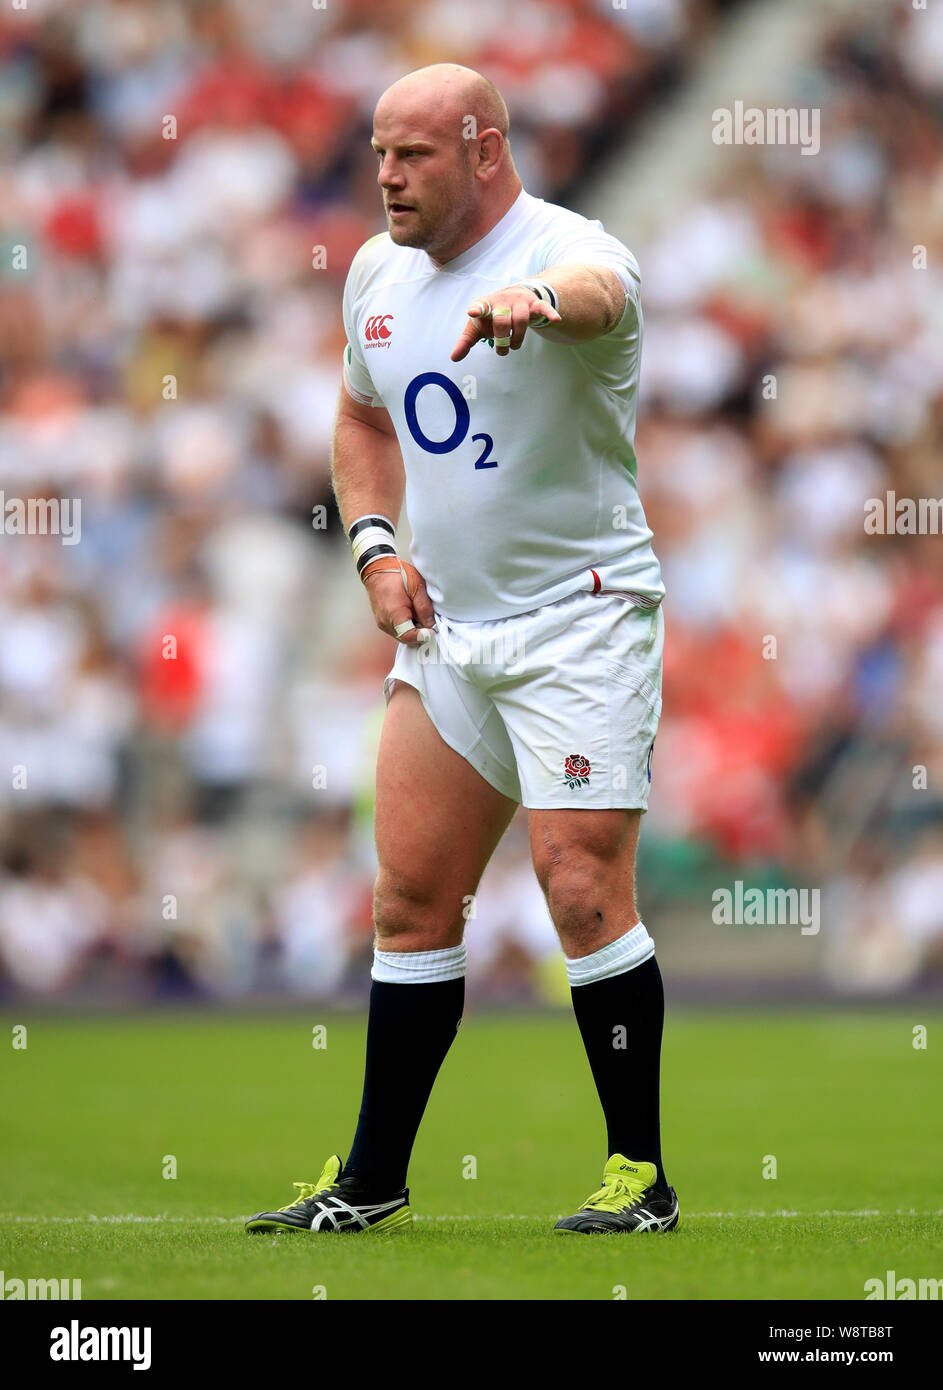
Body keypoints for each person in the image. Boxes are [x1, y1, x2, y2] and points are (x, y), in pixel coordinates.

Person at [246, 62, 678, 1236]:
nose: (384, 175)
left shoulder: (570, 250)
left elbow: (598, 295)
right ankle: (372, 1179)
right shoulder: (376, 276)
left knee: (579, 890)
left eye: (414, 154)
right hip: (449, 629)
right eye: (378, 151)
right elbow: (359, 415)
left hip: (579, 615)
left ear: (485, 150)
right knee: (408, 899)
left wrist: (534, 306)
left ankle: (638, 1179)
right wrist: (376, 546)